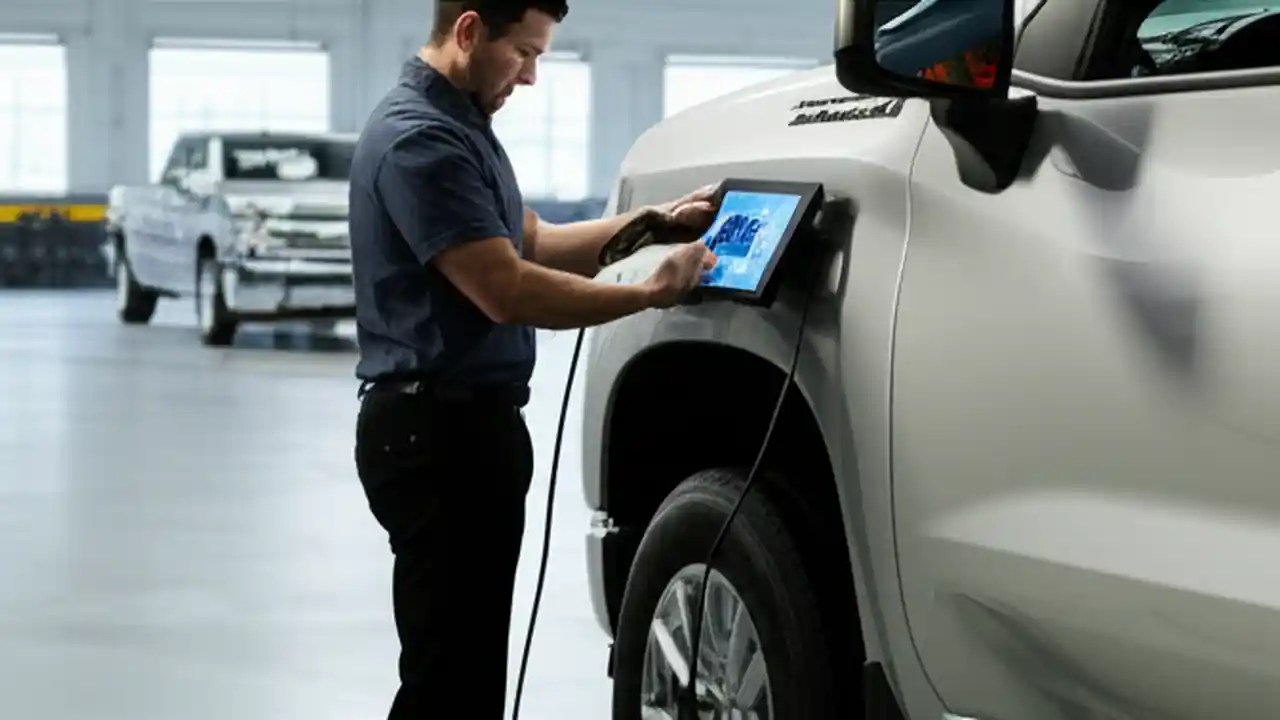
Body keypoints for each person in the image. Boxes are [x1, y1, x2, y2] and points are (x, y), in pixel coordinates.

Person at [345, 1, 720, 717]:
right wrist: (648, 295)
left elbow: (535, 242)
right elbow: (505, 288)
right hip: (437, 435)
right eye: (524, 52)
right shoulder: (420, 141)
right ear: (467, 30)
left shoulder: (460, 126)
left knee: (467, 669)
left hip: (460, 430)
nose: (531, 75)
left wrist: (653, 224)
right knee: (447, 679)